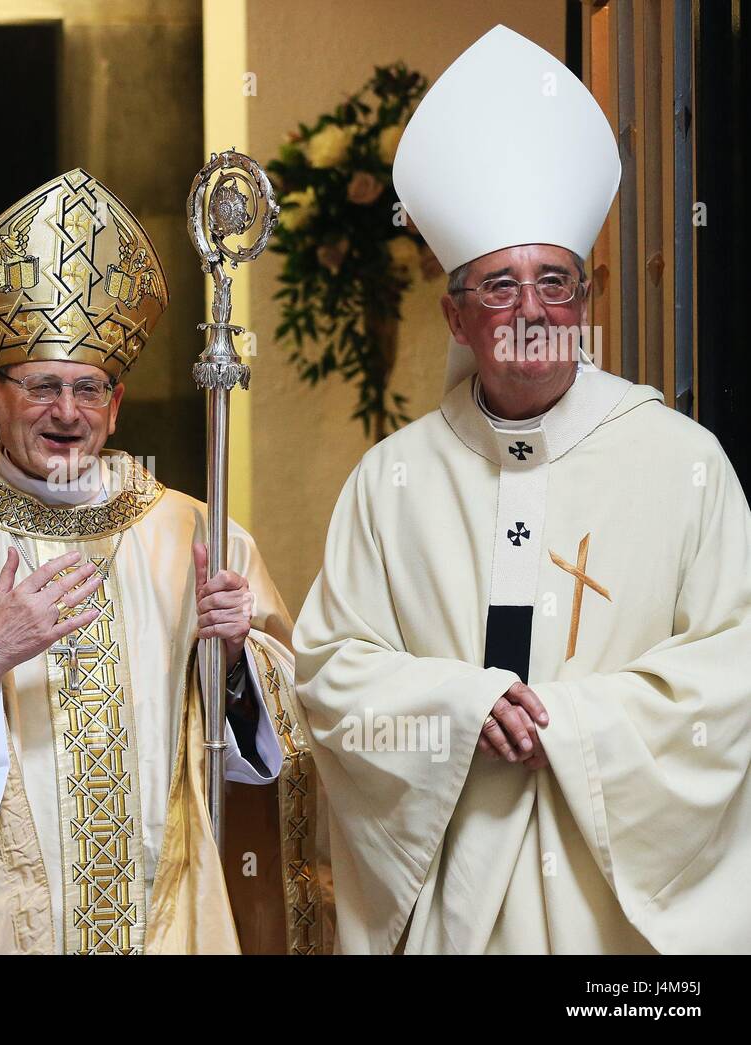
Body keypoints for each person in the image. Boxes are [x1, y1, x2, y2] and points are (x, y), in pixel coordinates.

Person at [294, 25, 751, 953]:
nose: (533, 309)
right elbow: (331, 670)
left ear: (585, 300)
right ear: (454, 313)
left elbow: (732, 671)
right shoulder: (394, 480)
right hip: (459, 884)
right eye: (499, 286)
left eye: (556, 281)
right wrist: (460, 708)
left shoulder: (684, 462)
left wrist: (574, 727)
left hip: (613, 921)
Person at [0, 168, 332, 954]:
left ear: (116, 405)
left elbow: (279, 755)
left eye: (89, 389)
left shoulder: (197, 534)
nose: (67, 413)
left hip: (171, 923)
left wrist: (233, 664)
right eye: (42, 385)